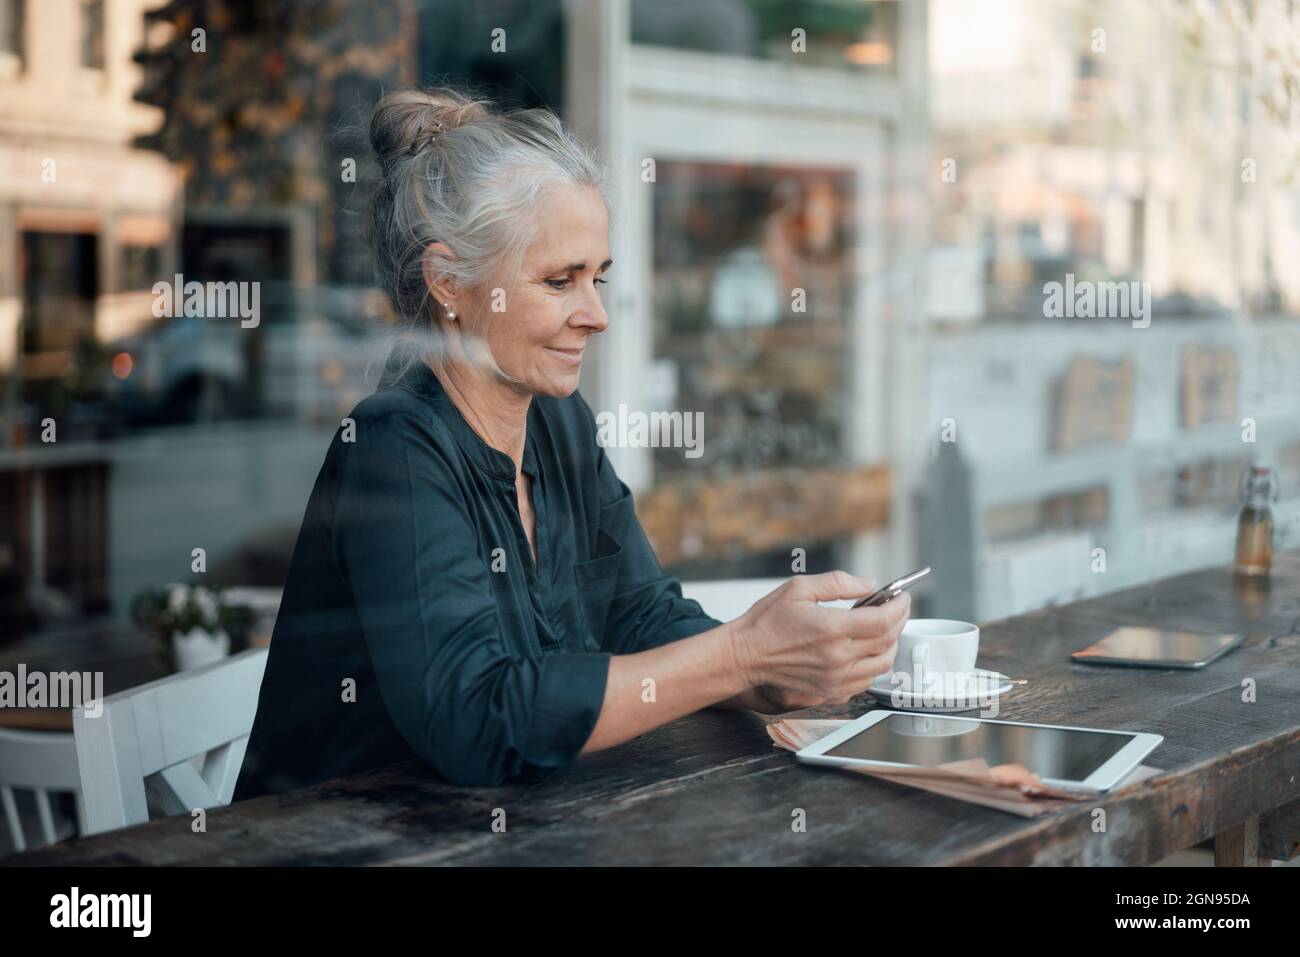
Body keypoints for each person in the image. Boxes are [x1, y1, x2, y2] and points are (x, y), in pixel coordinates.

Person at [232, 86, 908, 797]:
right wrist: (740, 656)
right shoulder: (393, 448)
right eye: (560, 281)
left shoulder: (560, 424)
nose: (596, 315)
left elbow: (639, 613)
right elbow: (478, 721)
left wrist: (775, 677)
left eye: (599, 278)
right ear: (449, 283)